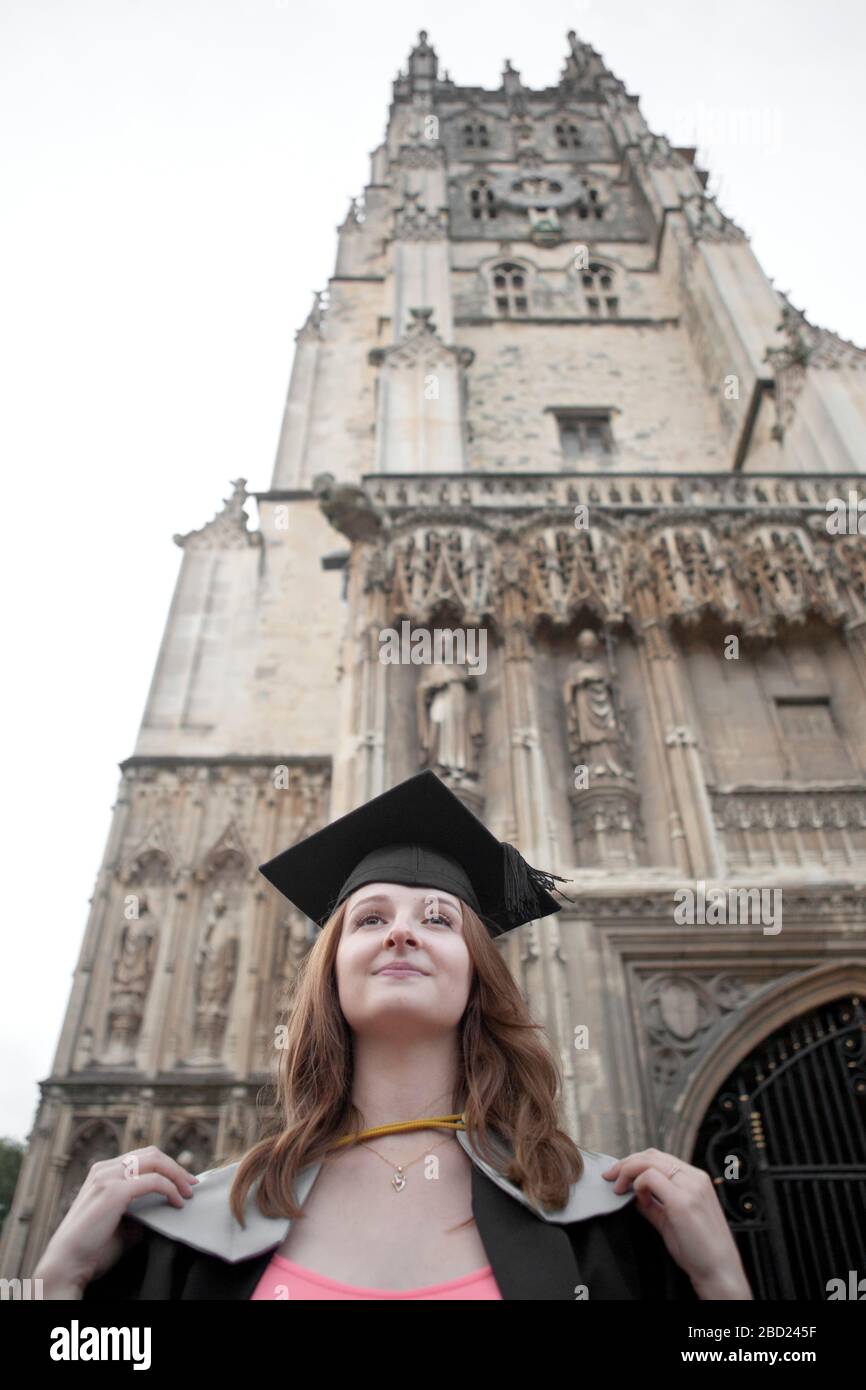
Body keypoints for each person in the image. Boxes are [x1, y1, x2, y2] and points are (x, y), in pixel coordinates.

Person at [35, 770, 752, 1300]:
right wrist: (56, 1284)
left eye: (439, 919)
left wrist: (724, 1289)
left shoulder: (597, 1214)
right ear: (331, 970)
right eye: (370, 918)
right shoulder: (205, 1223)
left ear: (479, 975)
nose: (403, 930)